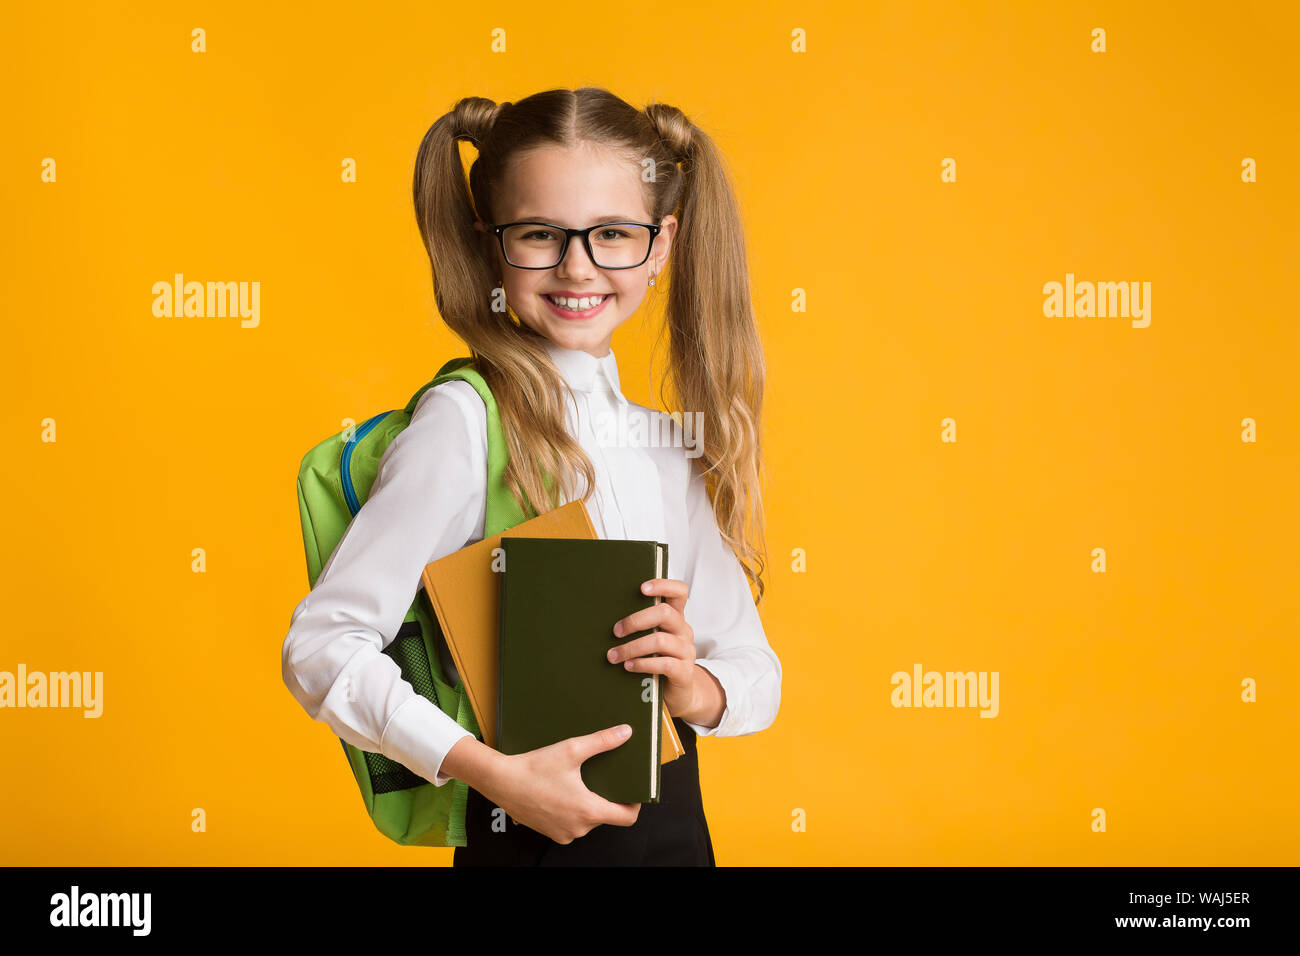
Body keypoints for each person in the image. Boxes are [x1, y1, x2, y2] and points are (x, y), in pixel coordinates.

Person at [281, 87, 781, 866]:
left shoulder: (665, 444)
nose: (576, 266)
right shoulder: (466, 421)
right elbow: (322, 648)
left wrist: (694, 688)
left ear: (661, 243)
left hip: (675, 833)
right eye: (541, 234)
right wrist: (496, 777)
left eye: (613, 233)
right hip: (528, 834)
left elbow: (756, 674)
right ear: (489, 244)